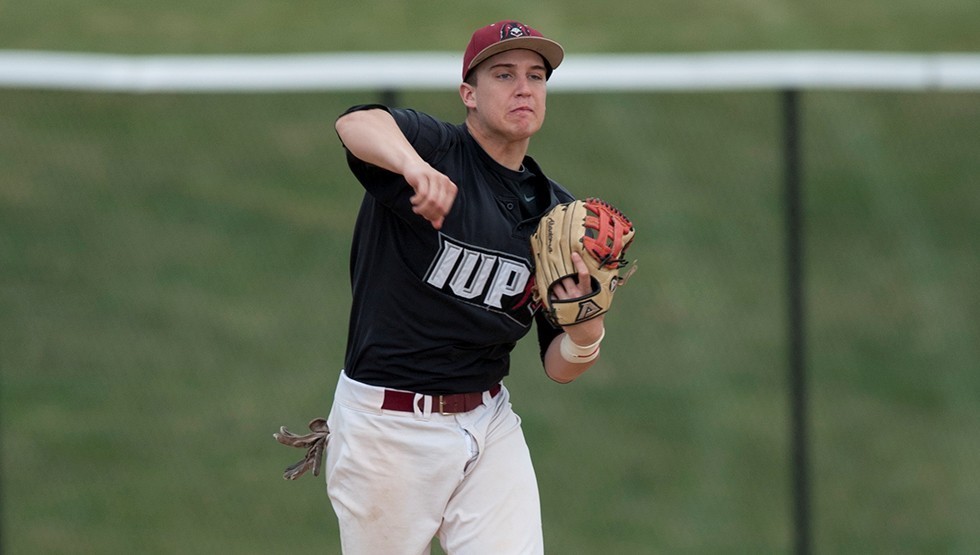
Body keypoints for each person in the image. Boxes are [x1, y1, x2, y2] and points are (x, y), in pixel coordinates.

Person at [326, 20, 607, 555]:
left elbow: (560, 365)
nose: (524, 87)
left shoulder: (558, 217)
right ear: (469, 94)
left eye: (536, 76)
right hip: (389, 427)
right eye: (504, 74)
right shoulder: (437, 149)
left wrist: (587, 326)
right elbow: (357, 123)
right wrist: (413, 168)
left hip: (488, 421)